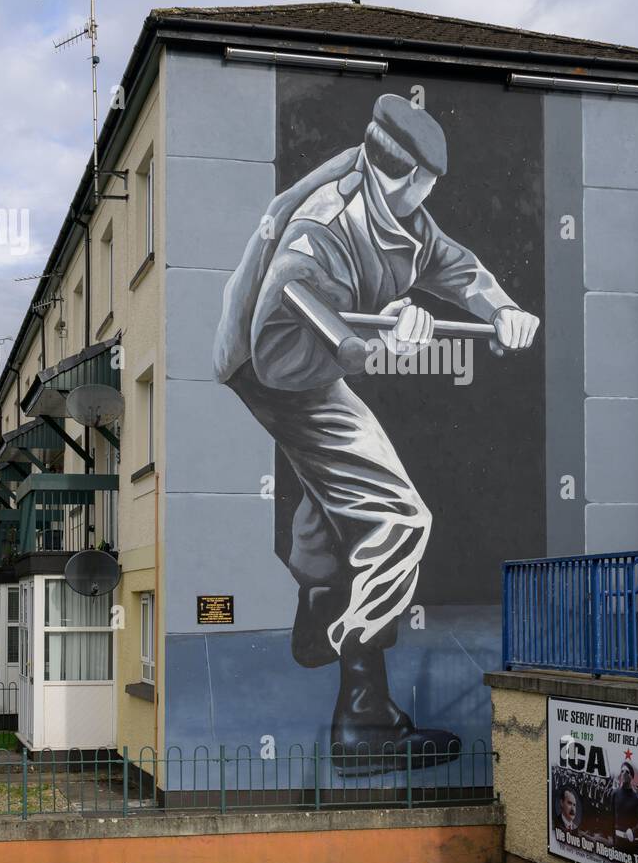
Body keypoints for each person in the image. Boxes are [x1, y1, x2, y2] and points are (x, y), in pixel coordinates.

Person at [214, 94, 540, 768]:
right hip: (273, 363)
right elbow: (281, 352)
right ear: (407, 174)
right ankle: (363, 719)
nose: (414, 193)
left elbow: (457, 268)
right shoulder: (320, 232)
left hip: (302, 357)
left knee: (337, 482)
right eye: (410, 180)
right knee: (397, 516)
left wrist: (502, 309)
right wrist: (381, 338)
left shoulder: (400, 214)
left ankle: (315, 612)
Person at [610, 763, 638, 855]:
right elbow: (611, 817)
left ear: (632, 777)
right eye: (622, 771)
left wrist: (633, 832)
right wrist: (612, 839)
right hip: (618, 842)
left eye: (627, 772)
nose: (624, 773)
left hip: (631, 843)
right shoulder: (614, 794)